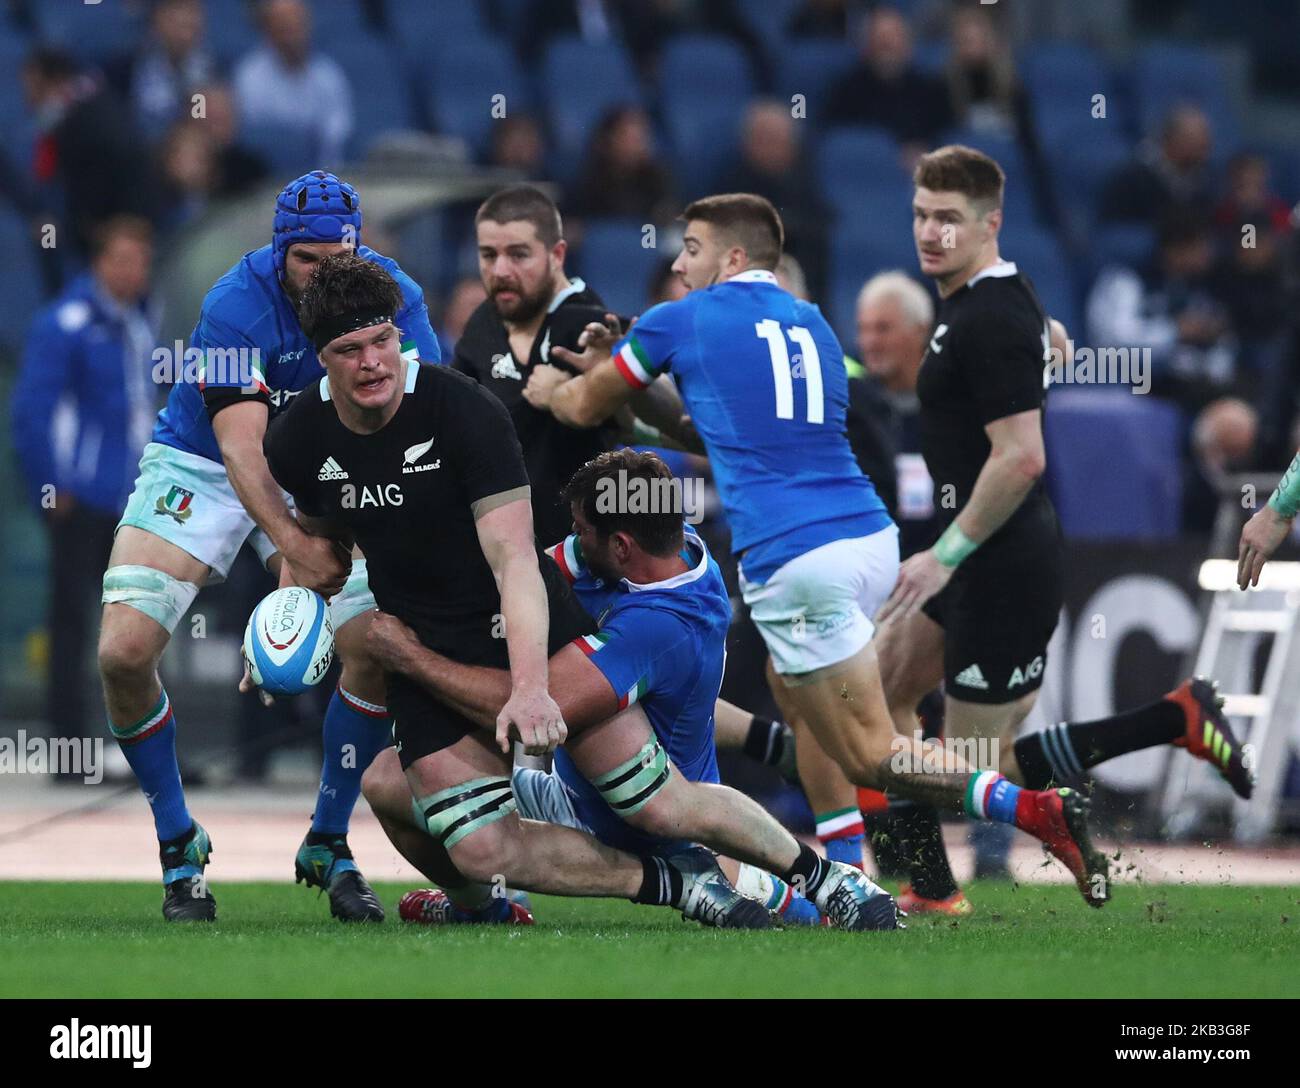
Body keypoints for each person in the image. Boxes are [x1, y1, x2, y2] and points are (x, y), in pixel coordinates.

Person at [520, 191, 1116, 909]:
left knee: (868, 751)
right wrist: (619, 376)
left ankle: (1027, 813)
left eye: (693, 249)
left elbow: (585, 409)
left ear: (734, 257)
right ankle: (848, 872)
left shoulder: (677, 319)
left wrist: (565, 384)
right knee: (797, 697)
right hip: (865, 539)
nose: (679, 265)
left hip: (796, 558)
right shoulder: (813, 326)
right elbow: (706, 436)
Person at [263, 256, 778, 931]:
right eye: (348, 349)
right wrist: (281, 622)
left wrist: (531, 689)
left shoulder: (462, 409)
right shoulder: (297, 439)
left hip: (528, 622)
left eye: (382, 340)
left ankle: (823, 877)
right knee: (440, 822)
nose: (370, 361)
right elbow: (318, 543)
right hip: (424, 639)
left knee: (657, 803)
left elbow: (513, 563)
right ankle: (639, 887)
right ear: (319, 357)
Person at [870, 146, 1254, 886]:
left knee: (974, 769)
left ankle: (1169, 722)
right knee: (885, 705)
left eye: (949, 219)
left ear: (992, 224)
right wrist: (1048, 341)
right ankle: (930, 889)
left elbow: (1022, 458)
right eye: (921, 215)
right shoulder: (983, 297)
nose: (931, 233)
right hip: (974, 554)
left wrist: (942, 555)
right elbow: (1042, 338)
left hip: (1002, 563)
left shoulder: (987, 314)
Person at [96, 171, 439, 923]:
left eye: (338, 256)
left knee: (374, 644)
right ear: (280, 250)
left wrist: (334, 534)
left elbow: (421, 420)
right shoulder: (231, 305)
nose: (325, 275)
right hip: (208, 463)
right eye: (307, 260)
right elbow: (242, 449)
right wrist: (292, 550)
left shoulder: (394, 299)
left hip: (332, 466)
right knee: (122, 653)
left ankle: (328, 839)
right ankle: (178, 843)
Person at [359, 448, 894, 929]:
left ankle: (796, 881)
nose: (572, 540)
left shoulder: (658, 625)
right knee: (387, 780)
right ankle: (482, 908)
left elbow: (529, 710)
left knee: (600, 770)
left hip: (655, 821)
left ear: (620, 545)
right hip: (577, 796)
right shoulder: (667, 549)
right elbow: (534, 572)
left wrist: (411, 656)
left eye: (581, 530)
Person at [11, 217, 159, 770]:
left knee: (131, 622)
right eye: (121, 259)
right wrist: (52, 489)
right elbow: (33, 412)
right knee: (73, 622)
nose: (132, 271)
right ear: (98, 262)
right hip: (84, 498)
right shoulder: (66, 323)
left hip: (133, 500)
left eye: (140, 260)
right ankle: (68, 748)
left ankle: (124, 742)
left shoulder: (141, 323)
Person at [232, 0, 353, 164]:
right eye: (283, 26)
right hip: (267, 174)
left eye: (297, 24)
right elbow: (253, 138)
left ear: (308, 26)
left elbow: (336, 139)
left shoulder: (328, 75)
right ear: (268, 30)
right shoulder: (249, 77)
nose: (292, 34)